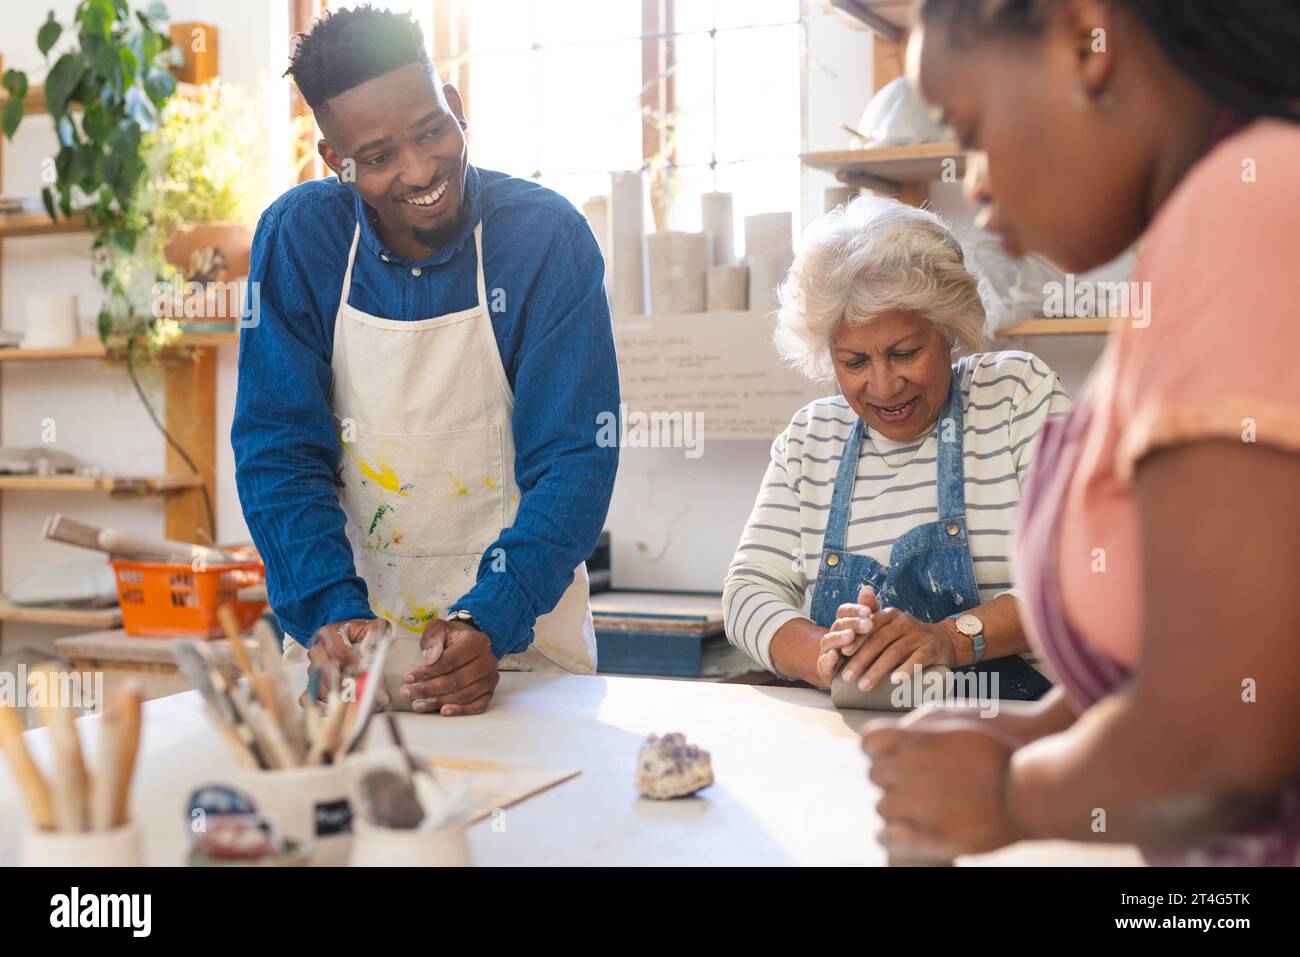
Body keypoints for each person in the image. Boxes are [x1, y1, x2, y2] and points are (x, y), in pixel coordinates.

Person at [863, 0, 1300, 865]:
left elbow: (1221, 742)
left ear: (1082, 38)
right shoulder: (1195, 245)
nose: (975, 184)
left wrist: (1003, 796)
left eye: (973, 126)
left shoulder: (1252, 200)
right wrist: (1025, 735)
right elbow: (1177, 657)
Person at [232, 6, 619, 716]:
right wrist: (330, 610)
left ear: (457, 108)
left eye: (431, 131)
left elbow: (574, 460)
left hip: (521, 652)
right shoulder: (298, 240)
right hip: (348, 655)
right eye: (377, 158)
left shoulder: (546, 239)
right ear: (336, 163)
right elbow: (276, 451)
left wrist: (490, 618)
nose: (419, 170)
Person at [723, 195, 1069, 700]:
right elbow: (747, 593)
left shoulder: (1015, 395)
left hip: (1022, 735)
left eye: (904, 353)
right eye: (854, 362)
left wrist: (951, 640)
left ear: (948, 330)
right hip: (861, 742)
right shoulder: (810, 440)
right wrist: (830, 655)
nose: (884, 387)